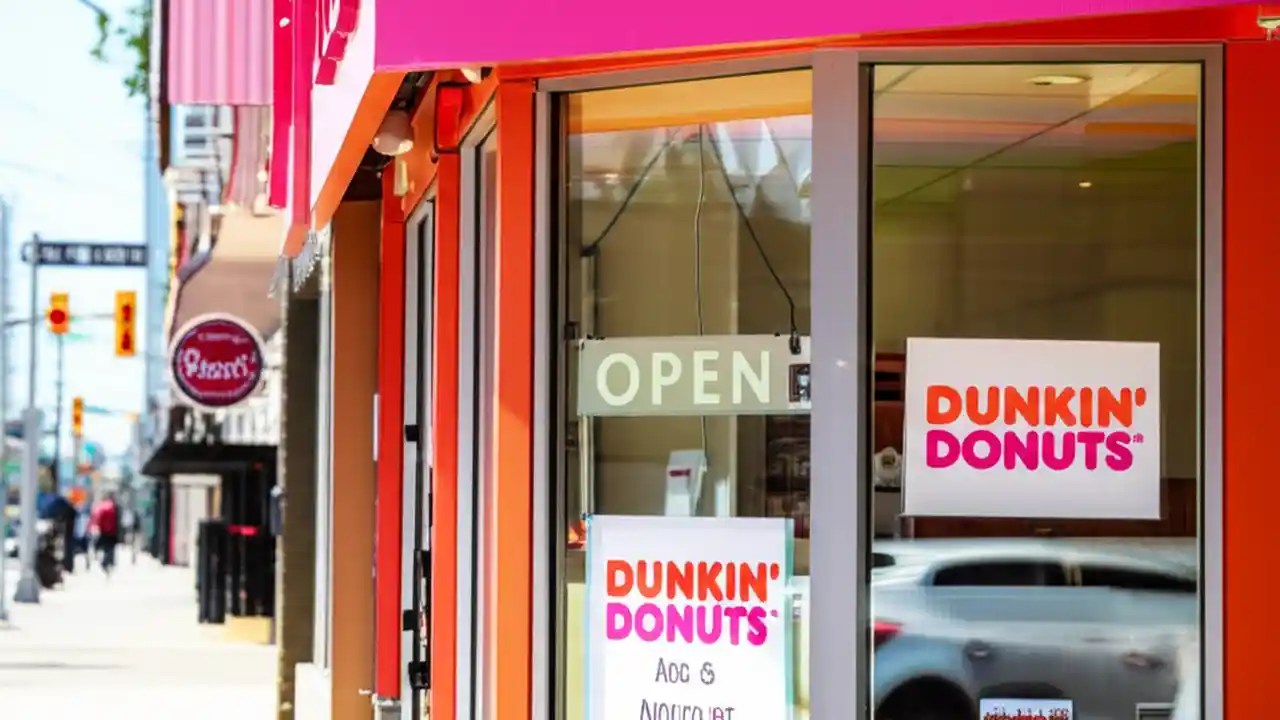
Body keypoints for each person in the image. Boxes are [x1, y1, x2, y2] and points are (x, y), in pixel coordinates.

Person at [90, 492, 120, 575]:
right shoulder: (113, 506)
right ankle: (108, 562)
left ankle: (106, 562)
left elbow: (97, 518)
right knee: (110, 548)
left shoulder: (101, 506)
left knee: (105, 547)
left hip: (103, 531)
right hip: (112, 531)